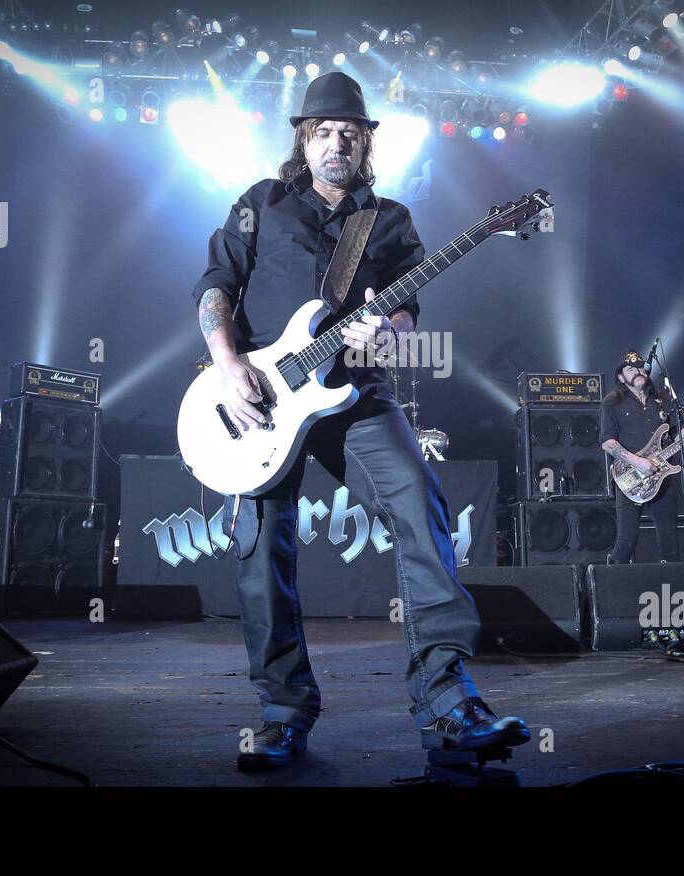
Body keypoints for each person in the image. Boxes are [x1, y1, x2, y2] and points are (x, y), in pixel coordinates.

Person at [191, 71, 528, 771]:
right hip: (259, 400)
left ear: (366, 140)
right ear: (303, 140)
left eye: (350, 130)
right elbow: (216, 284)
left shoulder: (390, 220)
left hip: (356, 395)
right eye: (323, 131)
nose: (337, 141)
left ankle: (446, 699)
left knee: (421, 508)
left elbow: (406, 305)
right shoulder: (262, 204)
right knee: (262, 550)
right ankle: (283, 711)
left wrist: (392, 328)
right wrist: (228, 364)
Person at [600, 350, 684, 563]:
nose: (637, 371)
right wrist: (639, 462)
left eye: (639, 367)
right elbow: (608, 443)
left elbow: (676, 433)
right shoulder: (613, 402)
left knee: (670, 541)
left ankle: (670, 591)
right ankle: (606, 586)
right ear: (621, 377)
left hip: (661, 478)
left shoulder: (661, 399)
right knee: (627, 540)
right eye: (630, 369)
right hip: (630, 477)